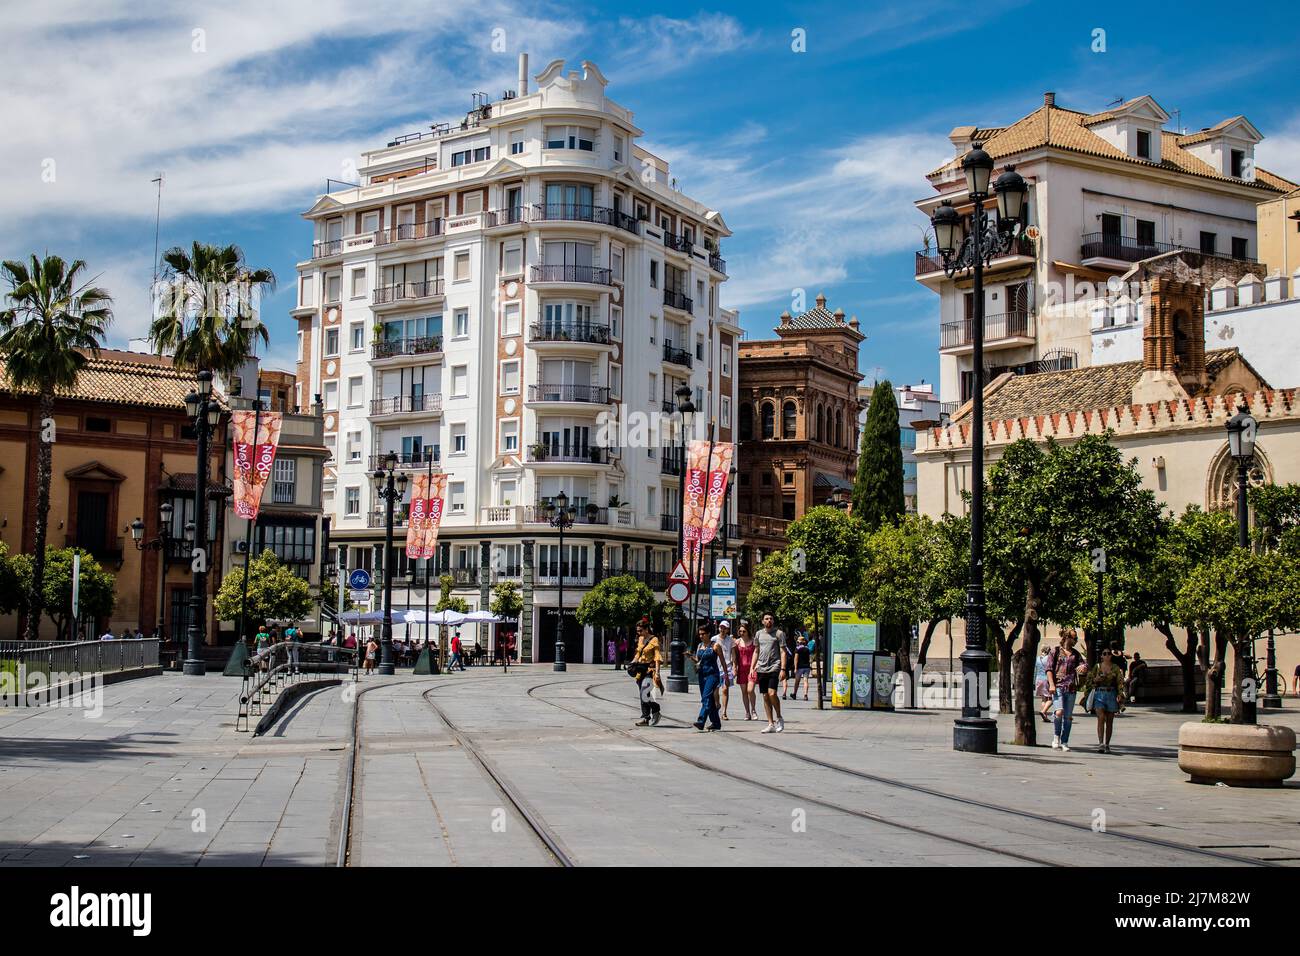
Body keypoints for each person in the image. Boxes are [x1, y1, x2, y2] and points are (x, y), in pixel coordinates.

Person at [1046, 628, 1087, 752]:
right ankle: (1056, 737)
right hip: (1058, 686)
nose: (1076, 641)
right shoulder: (1056, 651)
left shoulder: (1075, 654)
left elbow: (1084, 665)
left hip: (1071, 688)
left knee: (1068, 717)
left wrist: (1083, 668)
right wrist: (1052, 684)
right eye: (1074, 638)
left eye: (1076, 638)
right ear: (1067, 638)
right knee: (1059, 712)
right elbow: (1048, 669)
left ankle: (1065, 741)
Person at [1084, 651, 1126, 753]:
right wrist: (1096, 679)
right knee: (1101, 718)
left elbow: (1120, 682)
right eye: (1104, 653)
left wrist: (1120, 695)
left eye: (1109, 653)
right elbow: (1089, 680)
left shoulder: (1115, 668)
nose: (1107, 655)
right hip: (1099, 694)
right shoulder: (1097, 667)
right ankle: (1101, 743)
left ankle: (1107, 744)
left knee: (1110, 720)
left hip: (1111, 694)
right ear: (1102, 656)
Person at [754, 613, 787, 733]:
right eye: (766, 619)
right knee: (765, 696)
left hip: (774, 666)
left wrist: (783, 669)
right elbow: (756, 651)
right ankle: (770, 723)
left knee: (772, 693)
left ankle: (779, 717)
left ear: (773, 621)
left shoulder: (779, 634)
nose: (769, 621)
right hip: (761, 668)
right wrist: (753, 667)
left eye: (771, 619)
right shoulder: (758, 634)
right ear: (762, 621)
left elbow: (783, 652)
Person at [630, 618, 663, 727]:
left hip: (649, 669)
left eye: (640, 631)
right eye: (637, 631)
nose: (638, 633)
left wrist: (657, 673)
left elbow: (657, 657)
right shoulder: (640, 639)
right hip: (640, 669)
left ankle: (655, 709)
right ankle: (646, 718)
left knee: (644, 693)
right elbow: (638, 654)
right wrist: (632, 663)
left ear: (646, 629)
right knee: (643, 694)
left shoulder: (654, 640)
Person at [693, 630, 725, 732]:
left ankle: (701, 721)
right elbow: (698, 660)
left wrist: (727, 677)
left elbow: (723, 661)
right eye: (700, 634)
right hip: (702, 676)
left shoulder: (715, 646)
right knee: (709, 699)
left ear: (708, 634)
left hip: (712, 675)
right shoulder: (699, 646)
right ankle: (716, 723)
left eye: (703, 633)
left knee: (706, 697)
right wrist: (690, 656)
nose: (701, 636)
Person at [734, 620, 759, 720]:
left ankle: (753, 710)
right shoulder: (737, 642)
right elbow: (734, 657)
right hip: (741, 670)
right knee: (744, 692)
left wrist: (756, 665)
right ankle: (747, 712)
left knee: (750, 690)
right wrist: (734, 667)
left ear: (748, 631)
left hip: (752, 669)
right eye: (740, 631)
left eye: (744, 631)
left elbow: (758, 653)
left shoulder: (754, 641)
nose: (742, 633)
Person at [715, 620, 735, 719]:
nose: (722, 629)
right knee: (715, 690)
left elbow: (734, 654)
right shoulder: (714, 639)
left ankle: (724, 712)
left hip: (727, 667)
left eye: (724, 628)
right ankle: (717, 704)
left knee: (725, 690)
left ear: (727, 629)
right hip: (716, 667)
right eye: (721, 627)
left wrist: (735, 667)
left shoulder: (731, 640)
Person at [789, 634, 812, 701]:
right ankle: (805, 695)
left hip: (799, 667)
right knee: (805, 681)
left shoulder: (797, 649)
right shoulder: (807, 649)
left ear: (799, 642)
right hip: (807, 667)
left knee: (797, 681)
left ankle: (794, 694)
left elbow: (796, 659)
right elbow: (809, 658)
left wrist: (795, 668)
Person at [1034, 645, 1053, 722]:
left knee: (1043, 698)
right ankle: (1043, 711)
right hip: (1046, 679)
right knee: (1051, 698)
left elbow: (1035, 670)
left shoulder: (1037, 658)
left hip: (1038, 679)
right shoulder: (1048, 659)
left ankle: (1044, 715)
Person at [780, 629, 799, 699]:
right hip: (787, 663)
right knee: (784, 679)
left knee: (782, 679)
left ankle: (783, 693)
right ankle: (784, 693)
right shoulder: (791, 643)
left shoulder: (779, 644)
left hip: (780, 663)